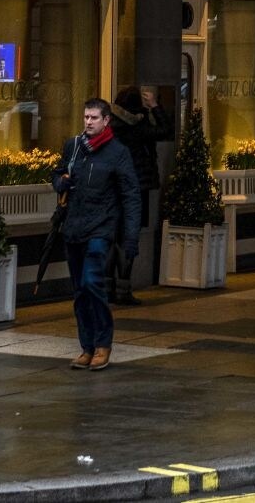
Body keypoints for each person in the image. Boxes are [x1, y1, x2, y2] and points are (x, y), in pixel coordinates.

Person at [54, 98, 142, 369]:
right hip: (74, 227)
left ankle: (103, 344)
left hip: (101, 227)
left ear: (106, 121)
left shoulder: (118, 153)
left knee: (93, 282)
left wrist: (130, 238)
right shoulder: (74, 147)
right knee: (80, 290)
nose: (88, 122)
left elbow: (131, 196)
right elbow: (58, 174)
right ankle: (87, 347)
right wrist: (60, 182)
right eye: (86, 117)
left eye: (94, 118)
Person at [108, 85, 169, 305]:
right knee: (129, 239)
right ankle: (123, 289)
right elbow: (164, 131)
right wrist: (154, 106)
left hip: (112, 188)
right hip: (137, 188)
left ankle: (107, 287)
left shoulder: (109, 125)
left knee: (111, 236)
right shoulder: (139, 125)